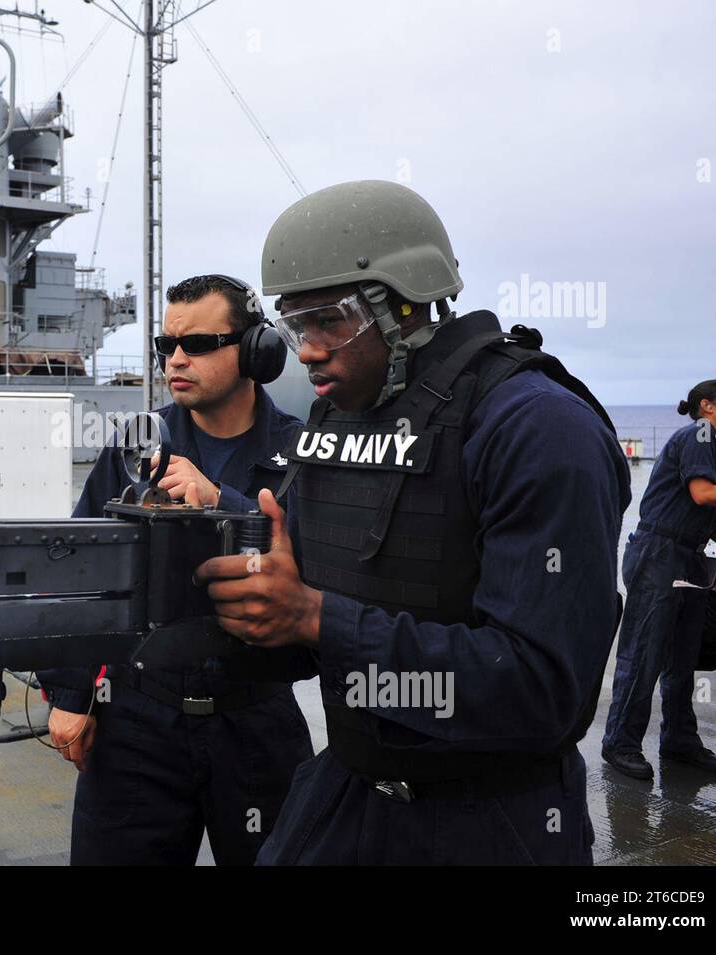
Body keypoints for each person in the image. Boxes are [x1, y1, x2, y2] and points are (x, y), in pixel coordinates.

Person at [194, 180, 632, 864]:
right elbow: (311, 616)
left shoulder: (537, 427)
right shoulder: (341, 417)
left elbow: (543, 690)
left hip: (491, 823)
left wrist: (315, 619)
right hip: (348, 795)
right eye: (293, 326)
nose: (306, 351)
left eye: (327, 322)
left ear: (403, 306)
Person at [38, 274, 315, 865]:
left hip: (255, 720)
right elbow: (82, 568)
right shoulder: (139, 444)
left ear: (254, 350)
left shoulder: (302, 454)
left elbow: (318, 571)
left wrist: (222, 503)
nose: (177, 359)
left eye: (198, 345)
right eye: (166, 347)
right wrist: (70, 692)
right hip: (137, 720)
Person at [601, 381, 716, 779]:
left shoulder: (713, 442)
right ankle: (620, 743)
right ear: (707, 406)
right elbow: (704, 493)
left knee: (681, 658)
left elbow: (701, 511)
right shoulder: (698, 434)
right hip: (659, 555)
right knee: (643, 654)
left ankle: (679, 741)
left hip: (686, 555)